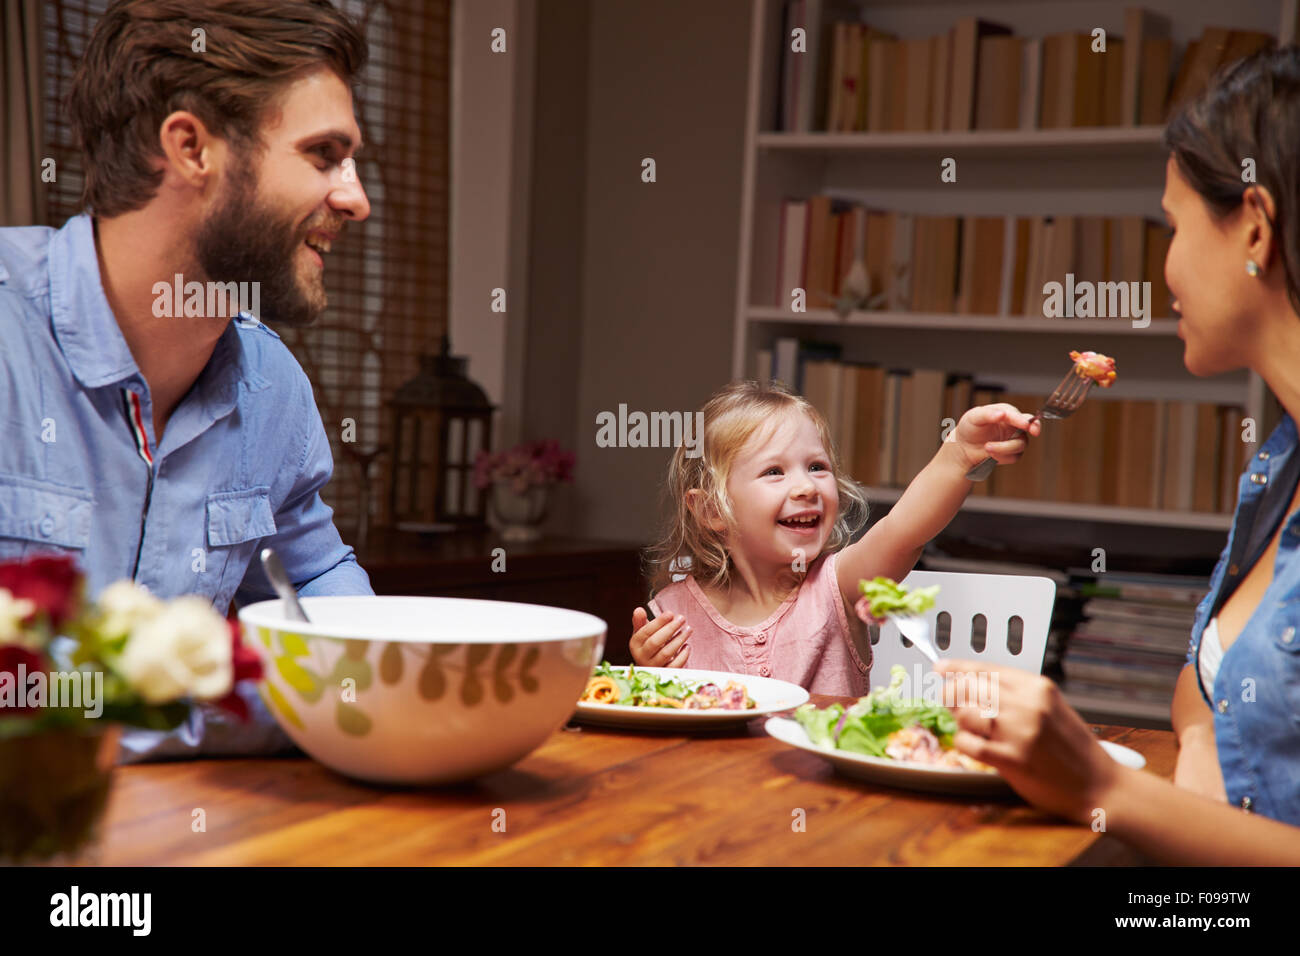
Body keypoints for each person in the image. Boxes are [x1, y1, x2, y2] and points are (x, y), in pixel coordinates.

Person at [937, 46, 1300, 864]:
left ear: (1254, 224)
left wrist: (1102, 787)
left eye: (1171, 227)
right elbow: (1203, 690)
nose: (1164, 269)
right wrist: (1202, 742)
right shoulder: (1279, 470)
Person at [0, 0, 374, 759]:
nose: (355, 198)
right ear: (190, 146)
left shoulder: (273, 389)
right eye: (323, 155)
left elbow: (338, 642)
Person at [631, 380, 1040, 694]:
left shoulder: (839, 586)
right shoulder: (674, 613)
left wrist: (959, 454)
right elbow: (661, 721)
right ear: (712, 510)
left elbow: (905, 530)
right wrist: (650, 676)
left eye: (816, 467)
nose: (806, 487)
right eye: (774, 472)